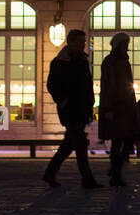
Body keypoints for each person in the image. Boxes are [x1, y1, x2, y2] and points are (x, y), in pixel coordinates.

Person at [43, 29, 102, 189]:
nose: (84, 45)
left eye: (84, 42)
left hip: (81, 108)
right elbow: (52, 85)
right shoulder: (59, 62)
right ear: (71, 42)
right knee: (80, 144)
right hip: (70, 109)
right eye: (81, 42)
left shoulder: (82, 61)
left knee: (69, 144)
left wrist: (90, 103)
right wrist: (63, 100)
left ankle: (50, 173)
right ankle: (87, 179)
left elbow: (87, 86)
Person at [99, 32, 140, 186]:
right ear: (118, 45)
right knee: (119, 141)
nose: (127, 46)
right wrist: (109, 107)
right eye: (125, 43)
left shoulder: (123, 61)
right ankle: (116, 173)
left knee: (129, 138)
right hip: (117, 107)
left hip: (126, 106)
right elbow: (108, 86)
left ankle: (115, 168)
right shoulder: (111, 61)